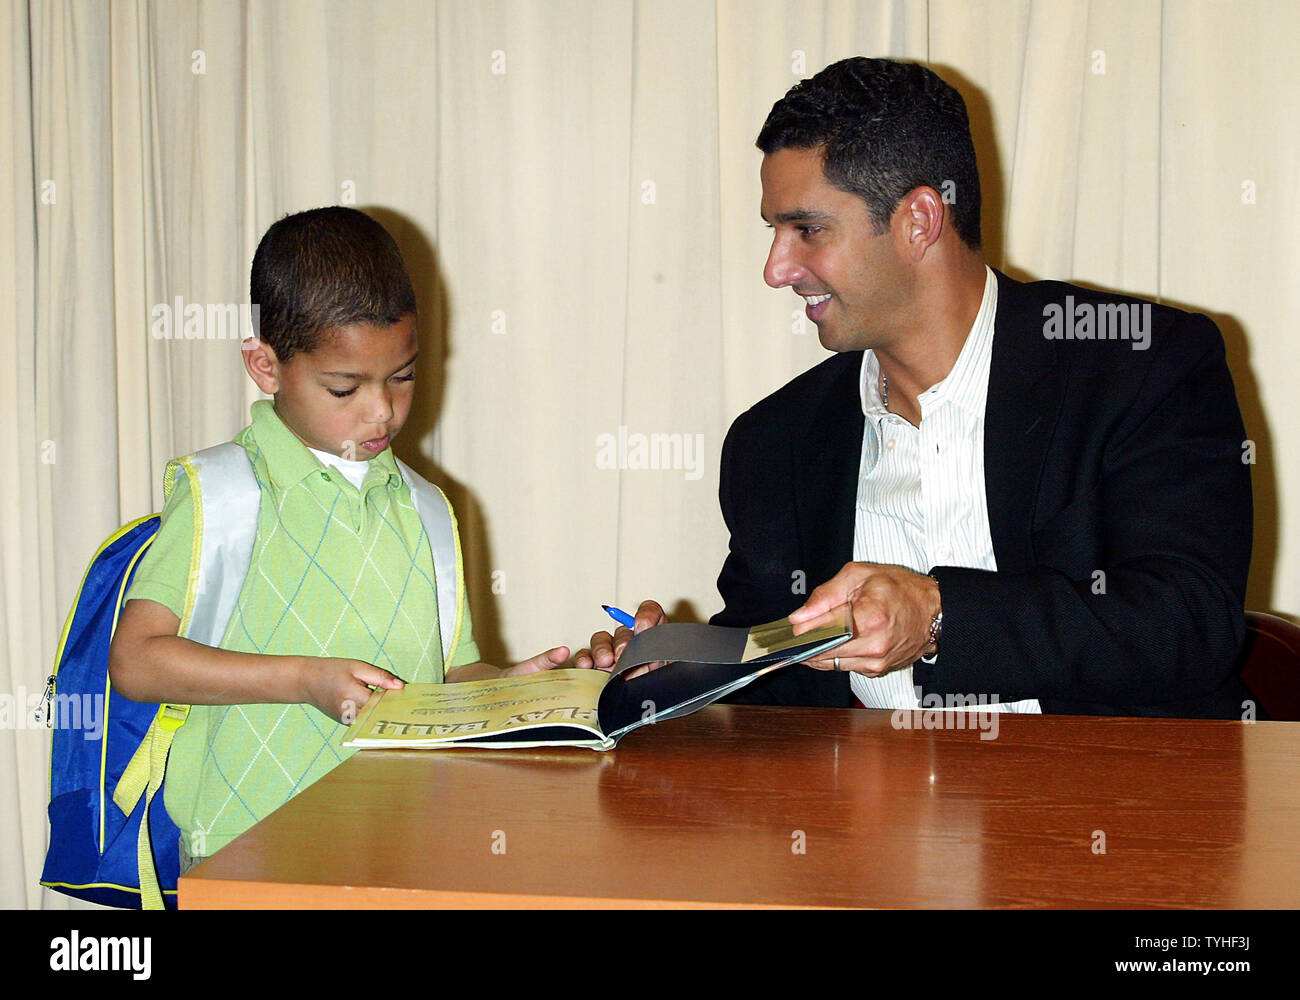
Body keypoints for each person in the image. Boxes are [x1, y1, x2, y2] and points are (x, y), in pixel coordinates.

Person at [578, 57, 1254, 718]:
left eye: (807, 230)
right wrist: (680, 672)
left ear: (919, 221)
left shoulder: (1140, 366)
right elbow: (785, 680)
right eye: (775, 232)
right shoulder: (774, 440)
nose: (777, 269)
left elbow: (1189, 622)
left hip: (1105, 816)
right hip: (865, 823)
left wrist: (938, 615)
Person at [109, 207, 586, 867]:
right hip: (245, 857)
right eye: (345, 387)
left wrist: (510, 691)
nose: (382, 410)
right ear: (266, 366)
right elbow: (136, 661)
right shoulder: (219, 492)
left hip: (406, 849)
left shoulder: (427, 508)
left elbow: (448, 673)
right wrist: (305, 678)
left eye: (404, 375)